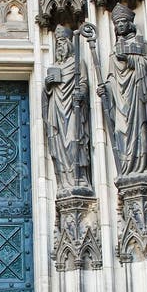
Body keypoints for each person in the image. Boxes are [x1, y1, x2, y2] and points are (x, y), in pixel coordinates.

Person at [102, 3, 147, 177]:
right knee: (120, 130)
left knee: (140, 129)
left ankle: (143, 166)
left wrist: (129, 59)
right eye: (117, 23)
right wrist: (105, 90)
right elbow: (111, 78)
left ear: (130, 23)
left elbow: (145, 68)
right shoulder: (113, 51)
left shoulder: (140, 44)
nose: (120, 25)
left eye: (123, 22)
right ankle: (128, 169)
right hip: (120, 101)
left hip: (136, 96)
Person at [43, 24, 91, 191]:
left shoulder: (77, 64)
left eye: (63, 41)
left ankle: (78, 178)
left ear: (70, 43)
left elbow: (83, 82)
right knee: (58, 144)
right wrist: (47, 86)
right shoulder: (55, 66)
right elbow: (47, 93)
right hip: (56, 109)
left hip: (71, 108)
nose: (60, 45)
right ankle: (64, 180)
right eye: (58, 42)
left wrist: (81, 94)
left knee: (73, 140)